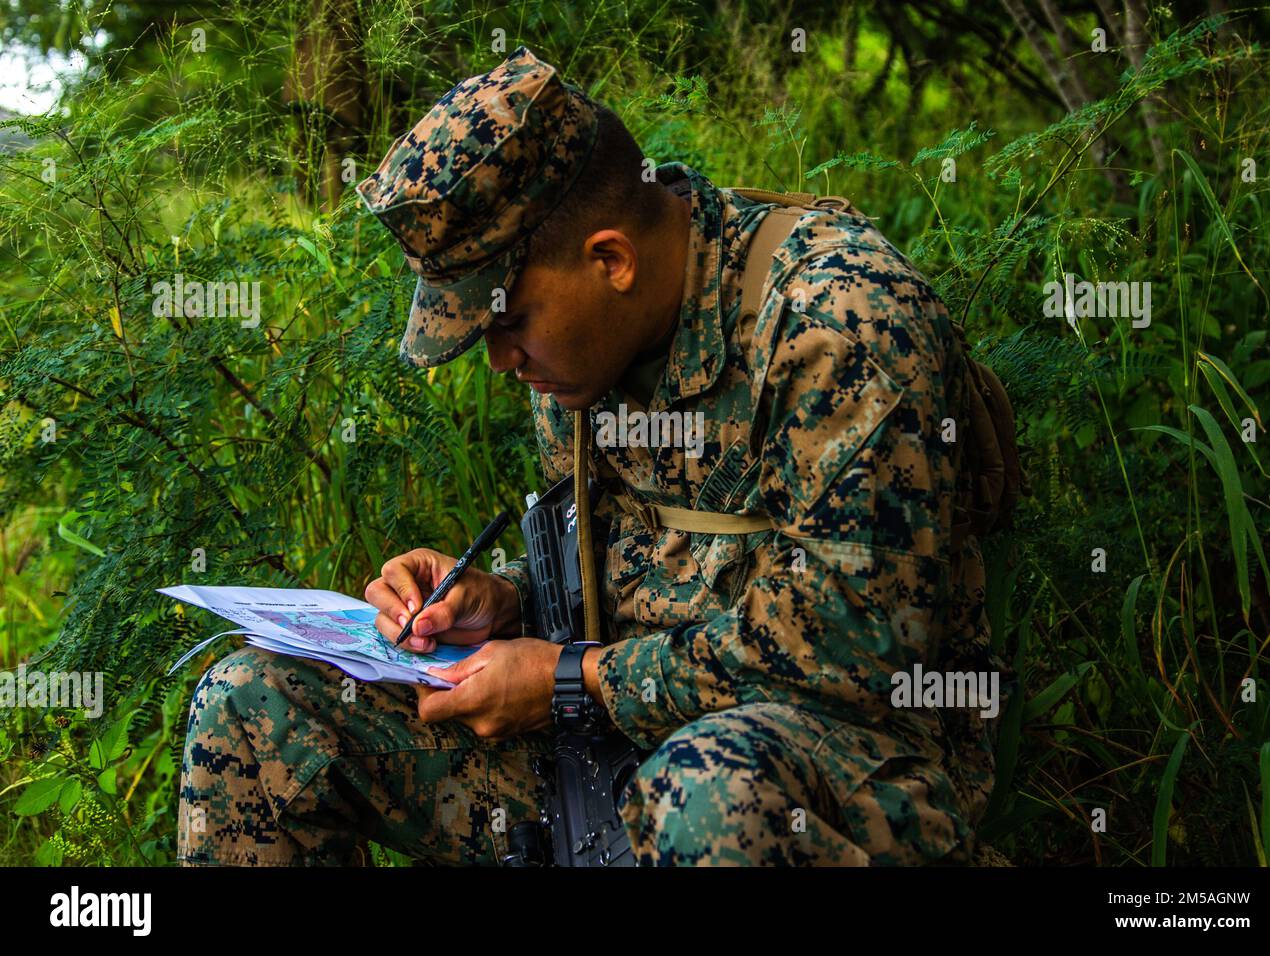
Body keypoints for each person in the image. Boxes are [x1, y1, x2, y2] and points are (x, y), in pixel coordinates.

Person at [176, 45, 1005, 866]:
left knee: (701, 792)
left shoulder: (838, 321)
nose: (500, 361)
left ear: (610, 260)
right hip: (602, 747)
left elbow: (850, 648)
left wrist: (575, 680)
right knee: (252, 703)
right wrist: (500, 607)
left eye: (505, 322)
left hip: (824, 771)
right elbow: (629, 574)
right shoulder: (580, 358)